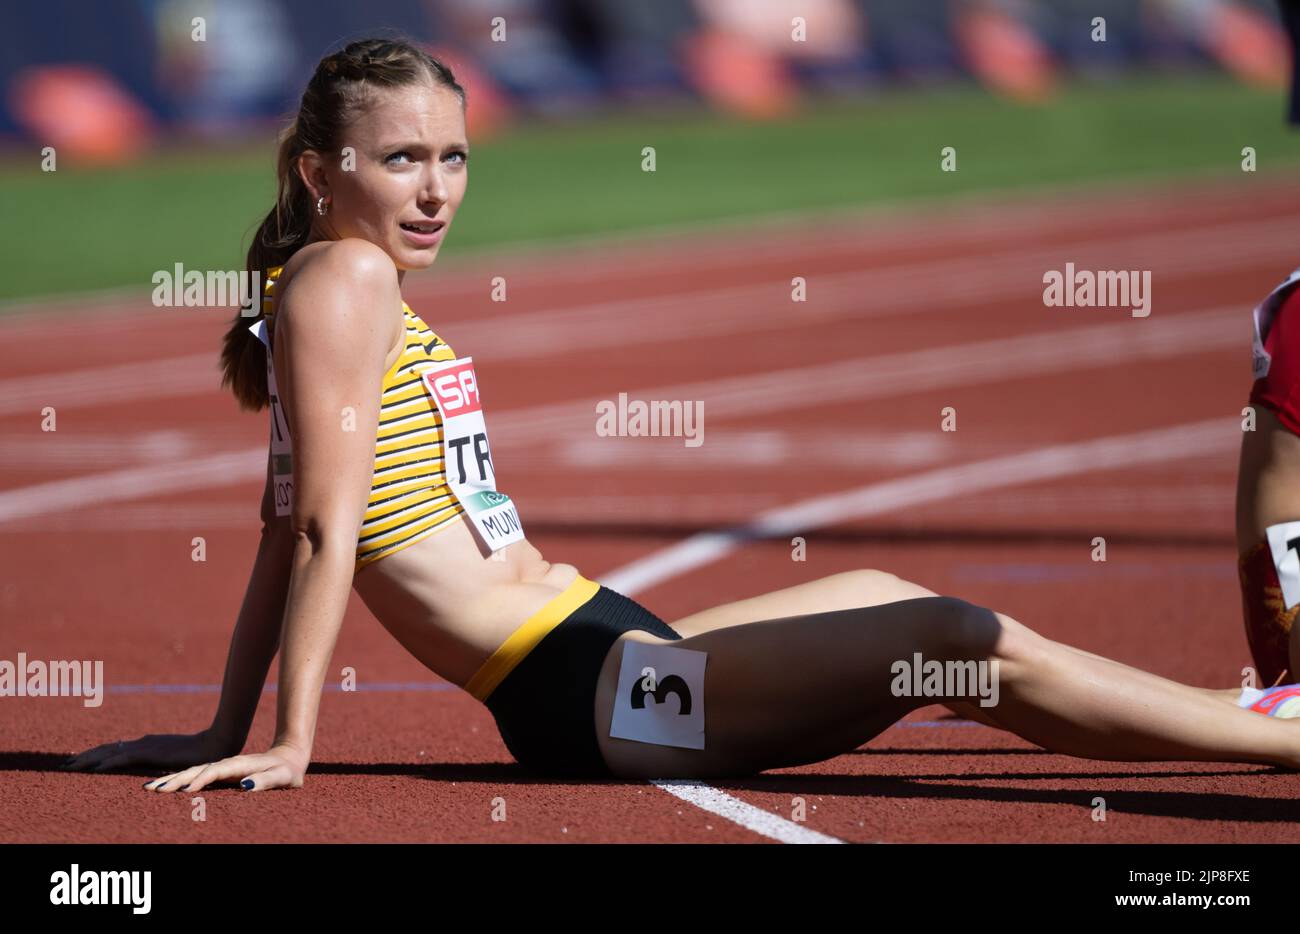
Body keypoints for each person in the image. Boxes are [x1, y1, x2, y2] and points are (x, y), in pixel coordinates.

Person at [65, 37, 1300, 791]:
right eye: (402, 161)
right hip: (587, 693)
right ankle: (1277, 737)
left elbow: (279, 525)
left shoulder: (326, 284)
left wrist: (220, 721)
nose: (436, 190)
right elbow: (320, 532)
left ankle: (1265, 718)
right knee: (962, 637)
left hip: (607, 649)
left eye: (453, 157)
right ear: (318, 172)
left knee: (892, 599)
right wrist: (287, 743)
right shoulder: (344, 277)